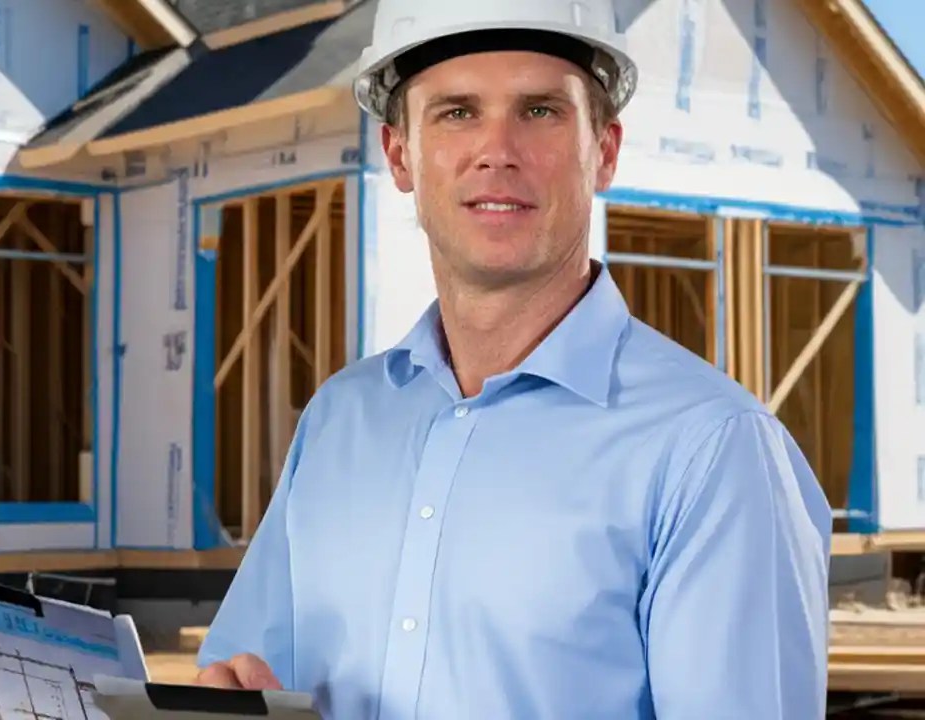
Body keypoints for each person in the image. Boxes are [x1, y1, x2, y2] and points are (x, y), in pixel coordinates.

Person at [194, 0, 832, 717]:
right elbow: (243, 679)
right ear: (399, 155)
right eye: (457, 112)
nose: (497, 150)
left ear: (605, 152)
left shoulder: (713, 451)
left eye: (539, 111)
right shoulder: (340, 422)